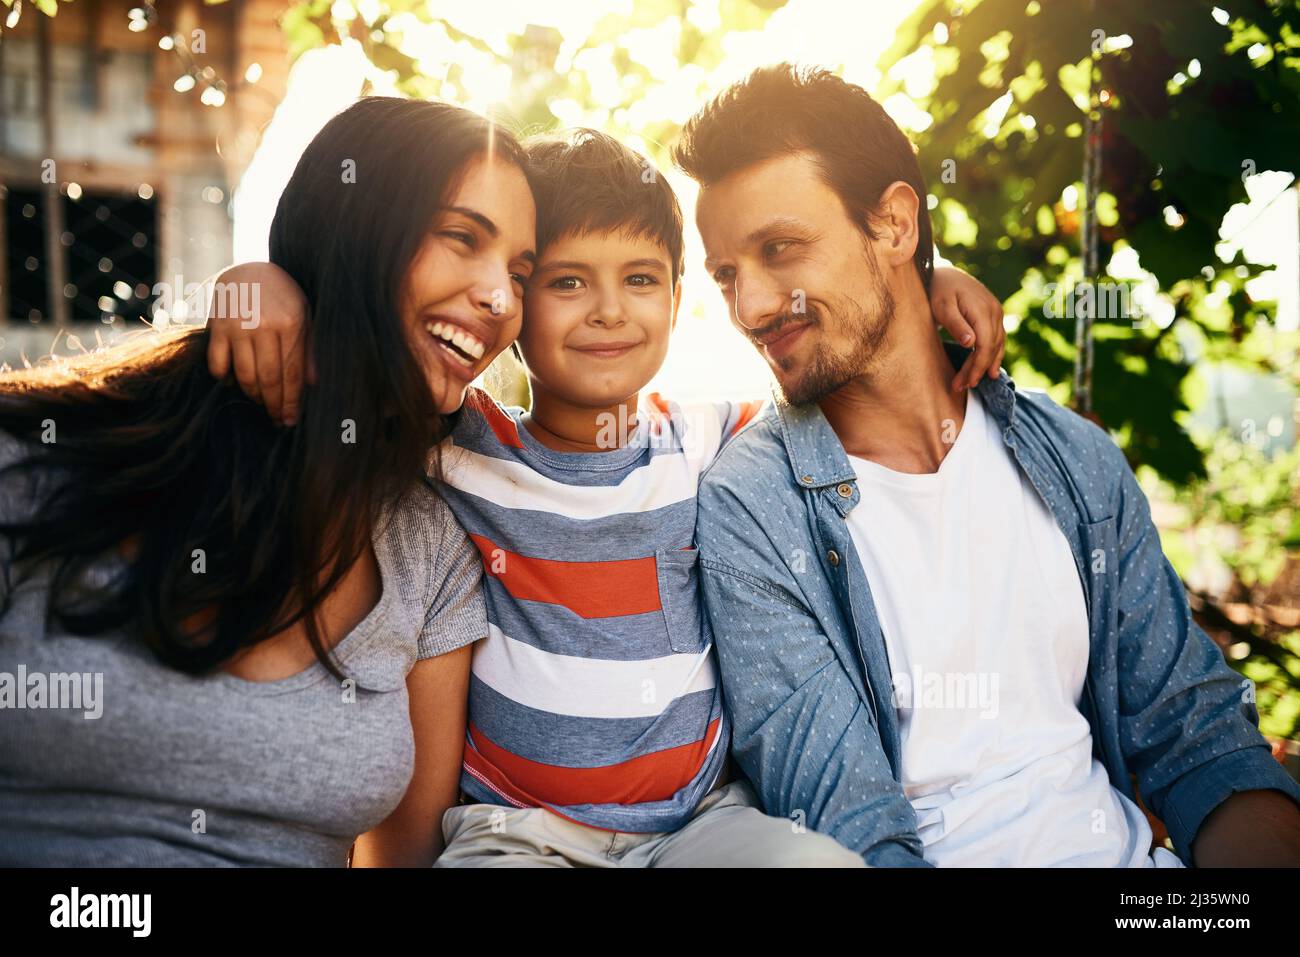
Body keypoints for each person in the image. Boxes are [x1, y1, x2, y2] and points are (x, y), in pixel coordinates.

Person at [208, 124, 1006, 865]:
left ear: (676, 297)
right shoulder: (460, 446)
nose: (609, 311)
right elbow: (360, 373)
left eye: (639, 279)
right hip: (517, 831)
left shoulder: (712, 438)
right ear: (515, 308)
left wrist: (923, 286)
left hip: (698, 822)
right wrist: (262, 284)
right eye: (565, 282)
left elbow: (850, 374)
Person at [678, 63, 1300, 867]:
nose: (751, 307)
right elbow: (850, 828)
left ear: (896, 225)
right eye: (727, 274)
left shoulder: (1073, 460)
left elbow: (1199, 738)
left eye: (781, 249)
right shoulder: (753, 508)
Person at [0, 97, 536, 866]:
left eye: (520, 272)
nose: (501, 298)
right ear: (357, 228)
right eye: (461, 236)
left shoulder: (434, 545)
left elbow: (407, 853)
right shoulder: (37, 456)